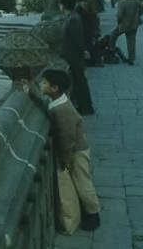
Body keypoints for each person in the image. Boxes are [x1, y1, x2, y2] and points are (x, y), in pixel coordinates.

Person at [40, 69, 100, 233]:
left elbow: (67, 139)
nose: (41, 84)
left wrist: (65, 161)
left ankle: (94, 214)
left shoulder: (62, 110)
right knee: (80, 181)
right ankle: (88, 211)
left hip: (77, 151)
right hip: (76, 149)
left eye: (44, 83)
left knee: (83, 183)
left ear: (54, 88)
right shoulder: (58, 102)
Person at [59, 0, 95, 115]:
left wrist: (83, 51)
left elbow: (77, 38)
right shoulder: (71, 17)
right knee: (77, 81)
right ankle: (82, 105)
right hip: (71, 54)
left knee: (80, 81)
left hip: (73, 55)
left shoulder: (73, 19)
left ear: (63, 5)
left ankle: (86, 107)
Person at [111, 0, 143, 64]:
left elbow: (119, 15)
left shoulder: (121, 2)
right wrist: (138, 14)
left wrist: (119, 21)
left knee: (113, 35)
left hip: (123, 24)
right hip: (134, 24)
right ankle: (131, 59)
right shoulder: (136, 1)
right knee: (131, 41)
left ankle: (111, 49)